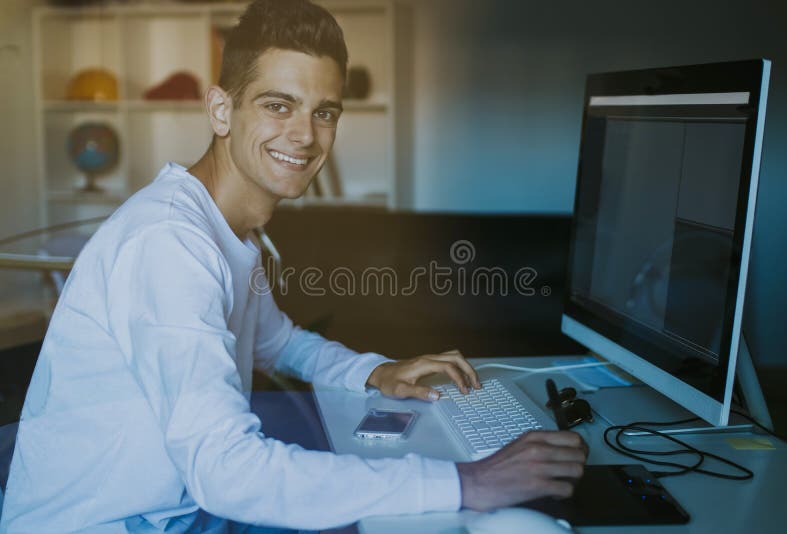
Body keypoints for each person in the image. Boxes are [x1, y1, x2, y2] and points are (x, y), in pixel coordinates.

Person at [0, 0, 587, 532]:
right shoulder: (169, 244)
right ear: (221, 110)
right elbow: (226, 470)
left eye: (324, 112)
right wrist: (471, 483)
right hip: (116, 522)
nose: (305, 135)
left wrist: (375, 372)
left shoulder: (229, 228)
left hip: (176, 505)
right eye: (278, 105)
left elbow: (278, 343)